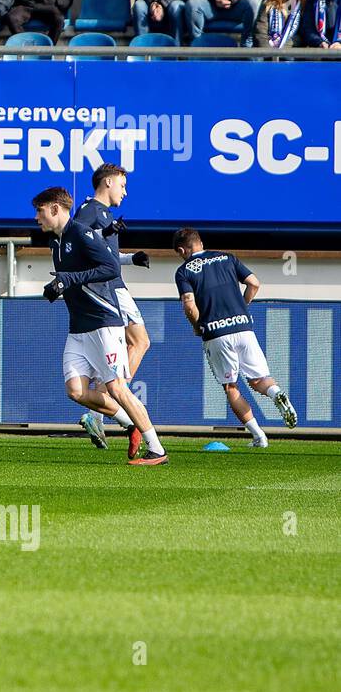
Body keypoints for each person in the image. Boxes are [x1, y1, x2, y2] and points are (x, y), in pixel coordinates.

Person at [32, 186, 169, 466]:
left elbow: (110, 268)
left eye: (40, 211)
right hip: (79, 329)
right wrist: (57, 286)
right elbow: (74, 277)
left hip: (104, 324)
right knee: (76, 391)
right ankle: (130, 426)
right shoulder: (55, 242)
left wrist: (68, 280)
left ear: (56, 209)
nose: (37, 217)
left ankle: (157, 450)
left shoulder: (81, 232)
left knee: (117, 388)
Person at [173, 227, 298, 445]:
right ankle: (276, 392)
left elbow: (189, 304)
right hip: (243, 328)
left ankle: (259, 437)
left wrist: (197, 326)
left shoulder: (184, 271)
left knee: (231, 387)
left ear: (182, 250)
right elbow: (254, 283)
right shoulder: (227, 258)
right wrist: (242, 306)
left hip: (216, 333)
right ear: (201, 243)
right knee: (259, 379)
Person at [73, 165, 154, 451]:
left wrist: (132, 258)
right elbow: (81, 244)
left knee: (133, 346)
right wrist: (106, 231)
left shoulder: (101, 214)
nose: (125, 191)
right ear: (108, 182)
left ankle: (103, 408)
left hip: (114, 286)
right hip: (111, 290)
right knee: (140, 342)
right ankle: (111, 402)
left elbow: (104, 253)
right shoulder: (90, 210)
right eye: (122, 184)